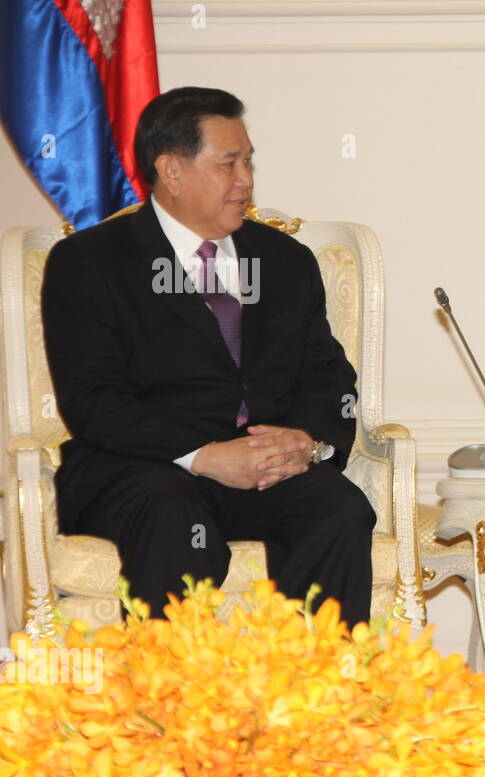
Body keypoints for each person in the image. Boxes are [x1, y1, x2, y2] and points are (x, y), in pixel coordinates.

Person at [41, 87, 376, 625]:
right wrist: (202, 455)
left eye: (248, 161)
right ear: (171, 170)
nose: (245, 179)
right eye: (229, 163)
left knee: (336, 507)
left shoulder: (284, 260)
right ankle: (175, 700)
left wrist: (308, 441)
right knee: (170, 509)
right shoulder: (90, 262)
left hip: (261, 468)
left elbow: (327, 374)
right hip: (140, 470)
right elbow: (93, 401)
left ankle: (316, 695)